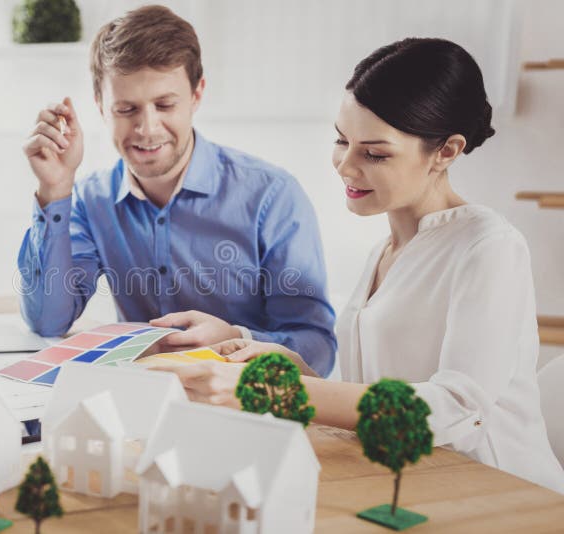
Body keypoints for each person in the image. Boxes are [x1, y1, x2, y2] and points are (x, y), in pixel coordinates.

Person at [156, 37, 564, 493]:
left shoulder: (488, 246)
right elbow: (371, 395)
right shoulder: (385, 252)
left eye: (374, 153)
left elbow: (457, 410)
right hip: (408, 482)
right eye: (341, 140)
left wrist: (287, 392)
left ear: (446, 151)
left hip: (498, 493)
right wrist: (264, 353)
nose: (345, 166)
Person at [16, 5, 337, 376]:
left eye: (165, 104)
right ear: (100, 106)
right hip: (141, 410)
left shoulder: (271, 196)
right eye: (126, 109)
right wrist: (55, 188)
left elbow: (318, 350)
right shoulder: (92, 199)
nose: (147, 128)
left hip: (249, 412)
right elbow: (48, 321)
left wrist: (236, 338)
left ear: (197, 95)